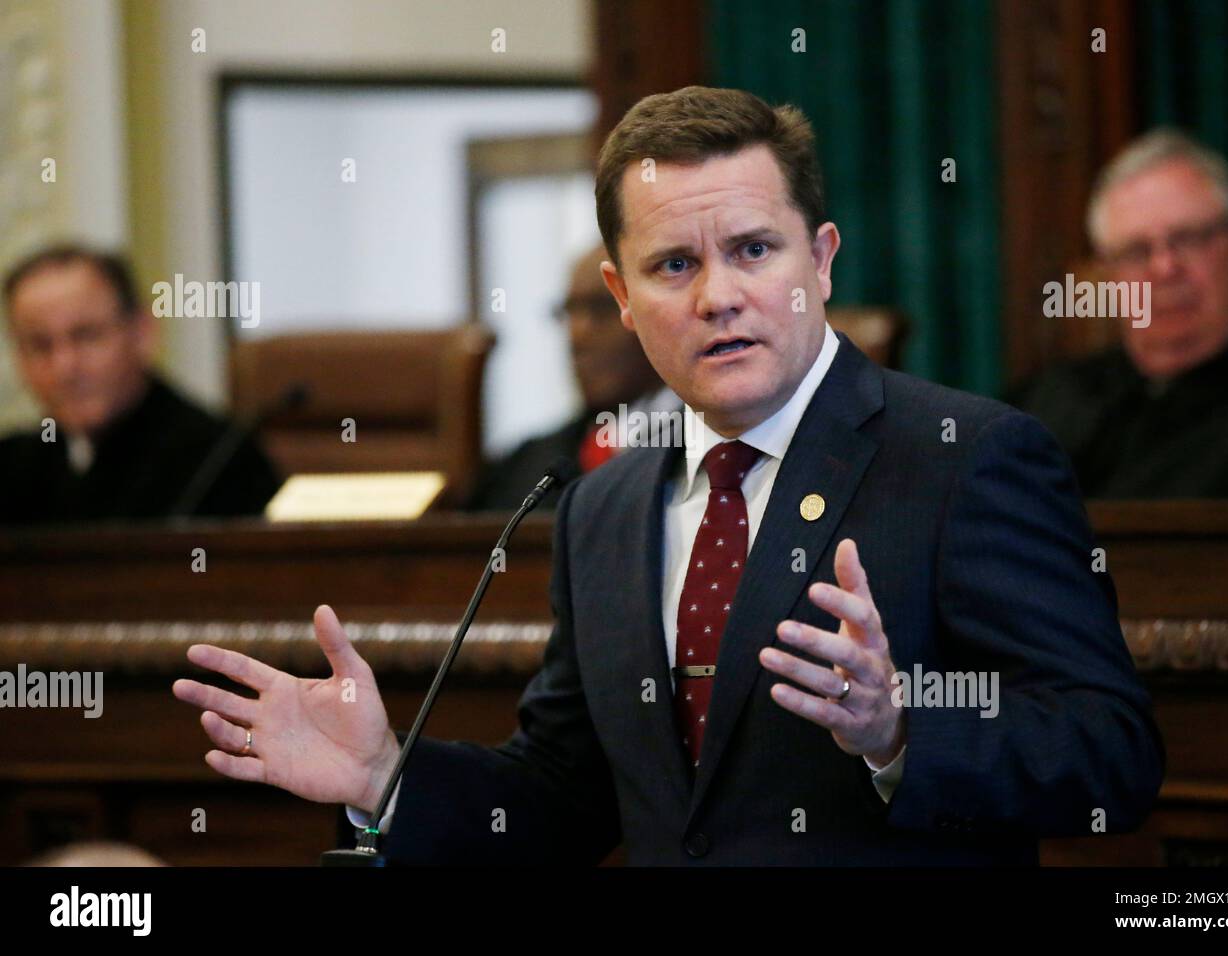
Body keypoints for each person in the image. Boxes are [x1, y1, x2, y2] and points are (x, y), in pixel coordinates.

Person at [174, 87, 1163, 865]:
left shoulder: (966, 455)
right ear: (620, 294)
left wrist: (901, 724)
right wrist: (387, 776)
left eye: (752, 249)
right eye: (674, 264)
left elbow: (1111, 756)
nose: (720, 295)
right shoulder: (601, 509)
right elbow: (565, 800)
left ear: (819, 260)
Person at [1012, 129, 1228, 497]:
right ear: (1108, 276)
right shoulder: (1051, 398)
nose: (1164, 269)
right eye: (1136, 251)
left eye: (1188, 239)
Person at [0, 245, 281, 524]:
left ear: (141, 334)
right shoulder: (12, 466)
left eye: (87, 336)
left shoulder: (218, 461)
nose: (64, 367)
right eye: (39, 345)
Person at [469, 244, 676, 510]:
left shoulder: (700, 450)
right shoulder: (531, 465)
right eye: (569, 312)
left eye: (601, 309)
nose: (576, 336)